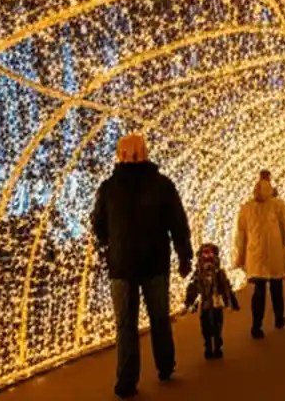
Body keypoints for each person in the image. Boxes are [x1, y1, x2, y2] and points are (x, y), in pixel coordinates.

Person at [91, 134, 193, 399]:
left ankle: (126, 381)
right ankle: (165, 365)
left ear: (119, 155)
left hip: (121, 266)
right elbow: (177, 223)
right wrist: (185, 255)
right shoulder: (162, 185)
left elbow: (97, 223)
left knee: (126, 325)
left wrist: (107, 245)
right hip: (155, 262)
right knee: (159, 318)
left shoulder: (109, 187)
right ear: (145, 153)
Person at [234, 177, 285, 338]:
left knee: (259, 291)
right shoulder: (278, 205)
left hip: (255, 255)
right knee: (276, 288)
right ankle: (279, 317)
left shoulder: (247, 208)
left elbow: (240, 235)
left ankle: (257, 325)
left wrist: (240, 258)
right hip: (275, 254)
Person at [184, 243, 239, 359]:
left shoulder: (219, 273)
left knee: (218, 323)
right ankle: (208, 344)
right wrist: (189, 302)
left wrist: (231, 300)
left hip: (216, 303)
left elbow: (226, 287)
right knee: (205, 325)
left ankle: (218, 342)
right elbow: (193, 288)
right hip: (205, 304)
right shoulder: (198, 274)